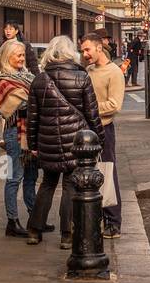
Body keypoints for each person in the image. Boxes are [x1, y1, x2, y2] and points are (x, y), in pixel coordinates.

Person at [26, 36, 103, 249]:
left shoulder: (39, 80)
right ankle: (67, 234)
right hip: (74, 142)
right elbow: (91, 112)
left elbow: (33, 117)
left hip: (47, 141)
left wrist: (33, 145)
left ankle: (34, 230)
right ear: (71, 53)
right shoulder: (81, 77)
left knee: (47, 184)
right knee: (70, 185)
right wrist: (100, 138)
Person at [0, 39, 39, 237]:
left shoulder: (28, 76)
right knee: (14, 177)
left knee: (31, 177)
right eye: (18, 55)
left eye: (23, 55)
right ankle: (12, 222)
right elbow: (13, 107)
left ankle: (35, 218)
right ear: (7, 56)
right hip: (13, 134)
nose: (21, 58)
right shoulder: (1, 81)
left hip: (31, 133)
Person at [81, 31, 124, 239]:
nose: (85, 54)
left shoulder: (114, 72)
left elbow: (114, 105)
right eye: (82, 50)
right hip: (86, 130)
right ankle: (94, 217)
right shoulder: (88, 70)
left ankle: (113, 222)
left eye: (87, 49)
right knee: (89, 175)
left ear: (99, 48)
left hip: (104, 129)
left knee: (107, 174)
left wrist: (89, 108)